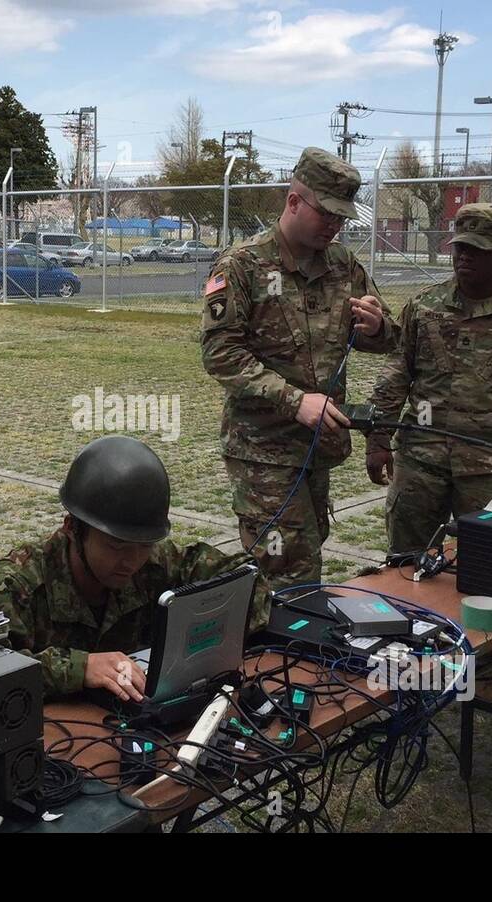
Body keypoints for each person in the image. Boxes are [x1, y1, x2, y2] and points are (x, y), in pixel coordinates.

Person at [201, 147, 397, 590]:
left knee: (308, 549)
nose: (335, 225)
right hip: (263, 449)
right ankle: (273, 652)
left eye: (342, 218)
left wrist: (377, 325)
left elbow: (390, 338)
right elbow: (220, 354)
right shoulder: (242, 266)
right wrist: (294, 401)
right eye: (326, 214)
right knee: (286, 567)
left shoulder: (343, 266)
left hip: (318, 447)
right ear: (293, 202)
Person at [0, 436, 270, 701]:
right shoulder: (14, 584)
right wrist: (80, 668)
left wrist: (196, 638)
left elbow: (247, 582)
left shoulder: (154, 561)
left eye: (144, 545)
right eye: (116, 546)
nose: (132, 561)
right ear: (73, 528)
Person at [365, 202, 492, 556]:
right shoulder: (424, 307)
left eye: (477, 250)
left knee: (488, 566)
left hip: (490, 467)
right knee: (405, 564)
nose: (464, 257)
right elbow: (397, 373)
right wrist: (378, 436)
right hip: (420, 462)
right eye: (460, 247)